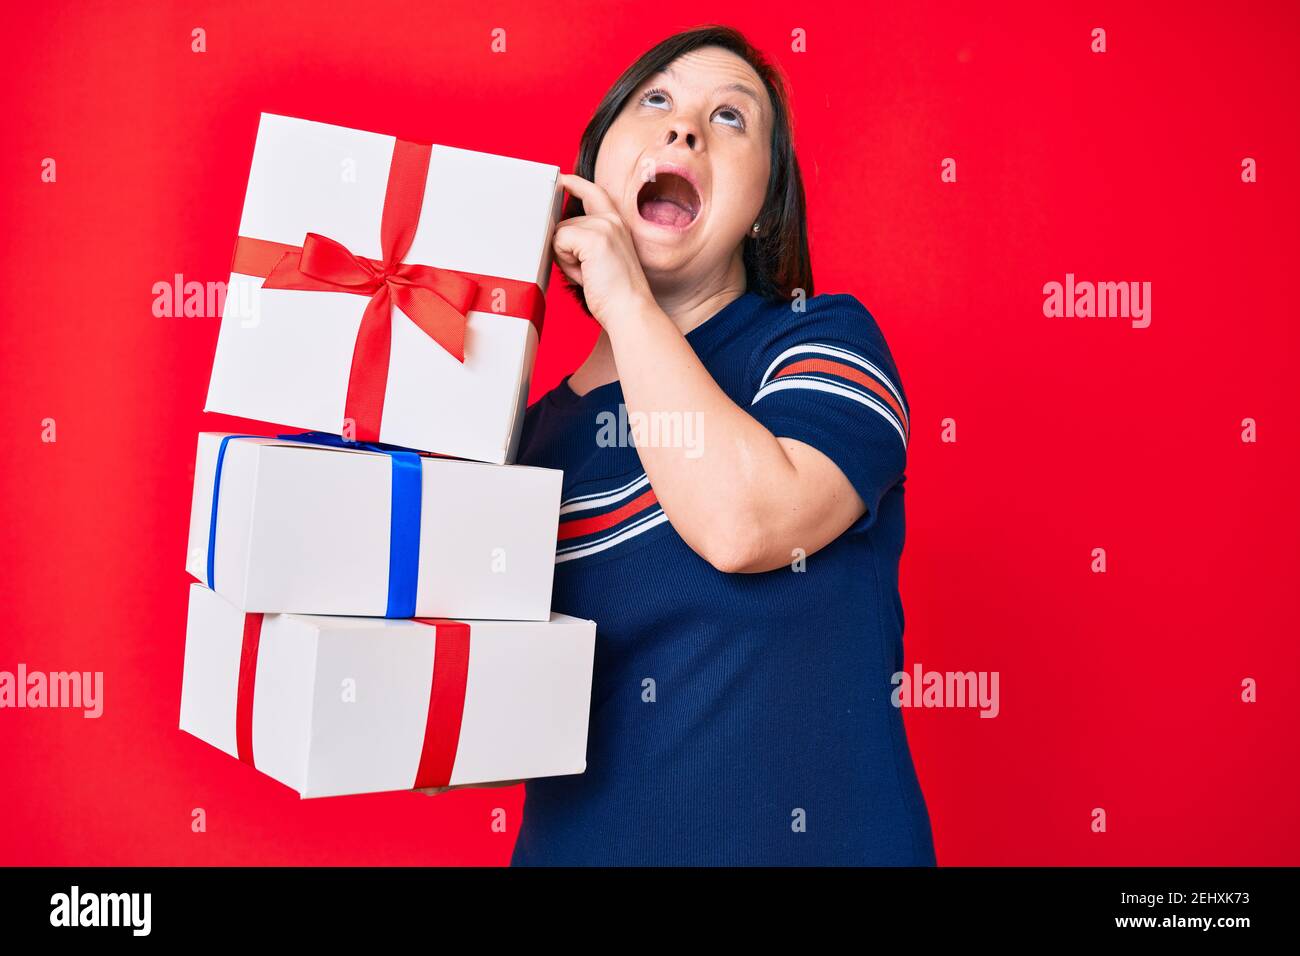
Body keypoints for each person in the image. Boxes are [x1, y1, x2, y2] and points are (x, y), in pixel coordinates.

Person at [428, 24, 937, 867]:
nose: (686, 127)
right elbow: (473, 729)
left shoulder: (821, 347)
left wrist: (628, 301)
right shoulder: (517, 443)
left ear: (764, 209)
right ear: (595, 166)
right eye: (656, 99)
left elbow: (746, 527)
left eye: (730, 118)